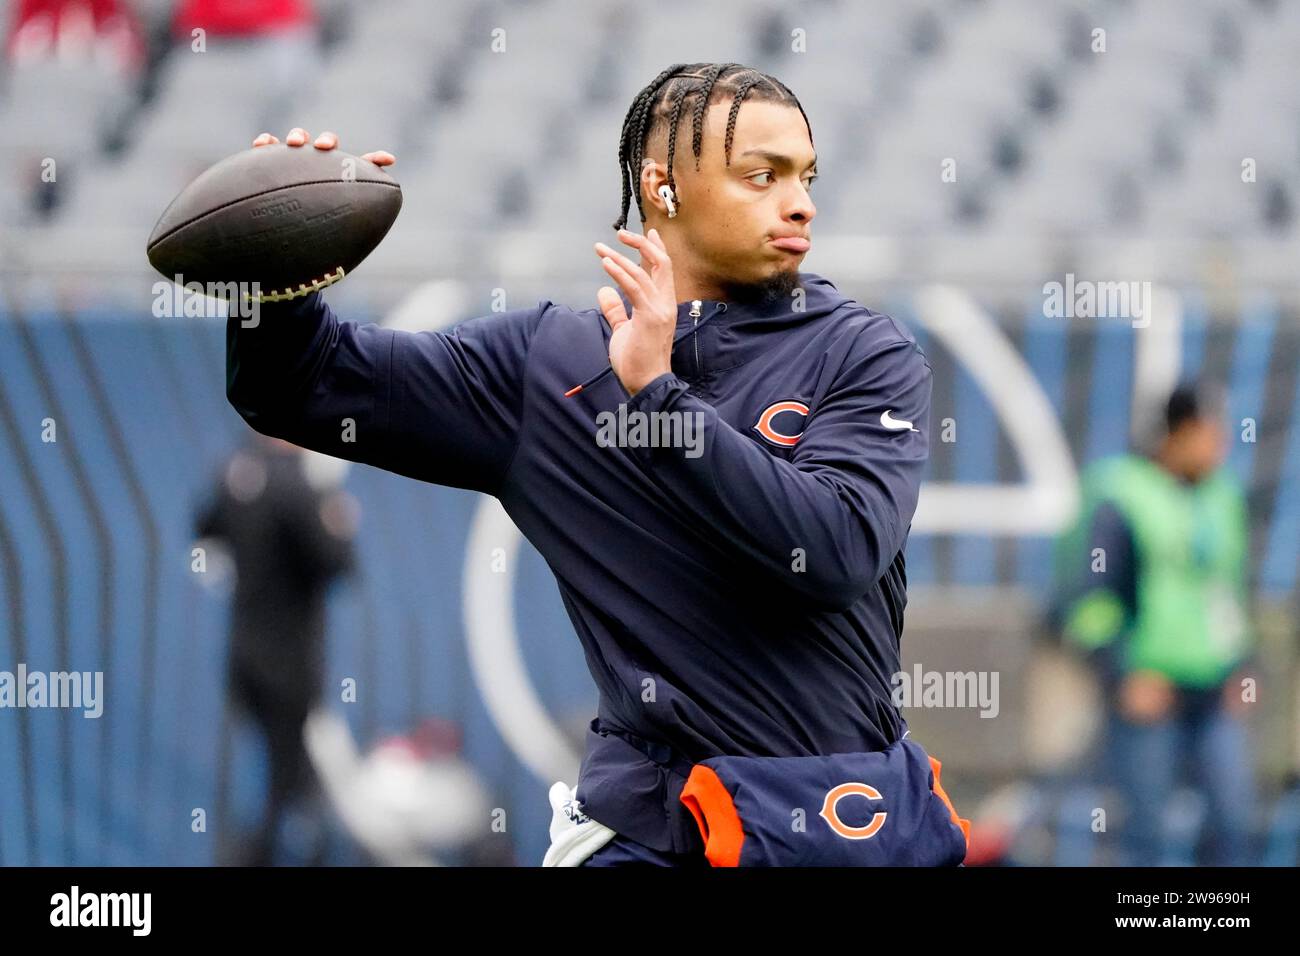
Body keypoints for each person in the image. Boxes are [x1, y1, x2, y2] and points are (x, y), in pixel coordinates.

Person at [223, 63, 967, 866]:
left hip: (848, 825)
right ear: (664, 186)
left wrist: (658, 399)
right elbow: (303, 387)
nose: (801, 203)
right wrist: (273, 280)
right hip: (653, 835)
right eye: (763, 176)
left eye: (805, 177)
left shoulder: (863, 352)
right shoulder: (550, 364)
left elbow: (834, 551)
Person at [1055, 384, 1257, 865]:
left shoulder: (1221, 495)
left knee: (1233, 822)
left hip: (1213, 685)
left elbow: (1225, 589)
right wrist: (1120, 672)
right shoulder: (1120, 493)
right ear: (1179, 433)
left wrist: (1244, 664)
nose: (1220, 446)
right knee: (1146, 832)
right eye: (1210, 434)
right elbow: (1088, 597)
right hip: (1148, 690)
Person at [195, 431, 358, 865]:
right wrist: (340, 522)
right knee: (284, 783)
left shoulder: (235, 472)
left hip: (243, 659)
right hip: (287, 666)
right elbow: (339, 563)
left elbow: (205, 529)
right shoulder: (298, 488)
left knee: (289, 773)